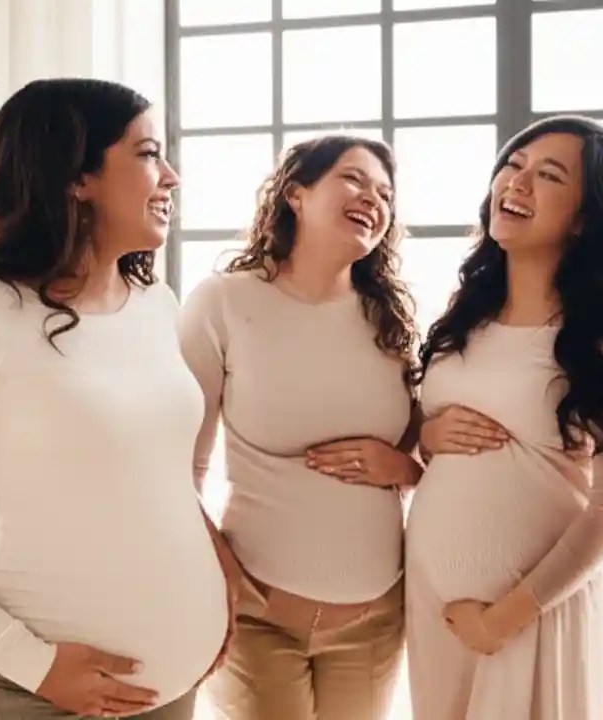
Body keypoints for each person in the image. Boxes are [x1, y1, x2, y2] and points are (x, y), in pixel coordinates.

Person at [0, 78, 232, 720]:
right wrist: (37, 666)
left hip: (168, 689)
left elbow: (160, 474)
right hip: (12, 688)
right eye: (146, 154)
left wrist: (216, 592)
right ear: (75, 176)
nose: (170, 176)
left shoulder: (155, 304)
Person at [404, 115, 603, 720]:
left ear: (588, 215)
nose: (517, 183)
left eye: (548, 175)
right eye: (512, 167)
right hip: (434, 607)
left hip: (535, 615)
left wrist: (503, 618)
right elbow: (415, 432)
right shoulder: (466, 315)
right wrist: (427, 435)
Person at [178, 134, 422, 720]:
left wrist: (404, 469)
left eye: (385, 193)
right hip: (257, 615)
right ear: (295, 193)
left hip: (374, 617)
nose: (373, 198)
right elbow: (176, 466)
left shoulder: (390, 321)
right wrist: (223, 575)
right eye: (354, 179)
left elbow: (430, 454)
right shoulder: (223, 304)